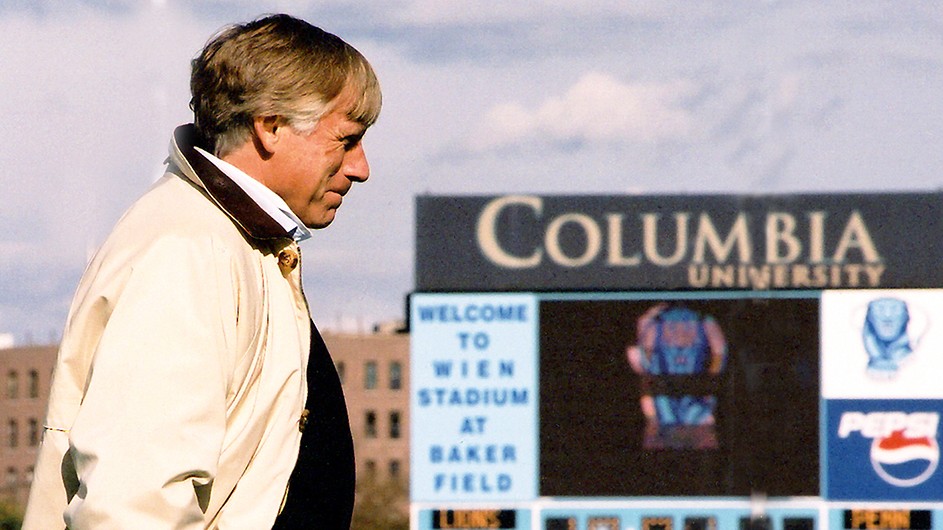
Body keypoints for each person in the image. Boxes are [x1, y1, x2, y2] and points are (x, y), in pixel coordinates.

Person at [23, 14, 381, 529]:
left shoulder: (230, 241)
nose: (361, 167)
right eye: (347, 139)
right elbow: (131, 508)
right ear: (271, 126)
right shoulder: (188, 250)